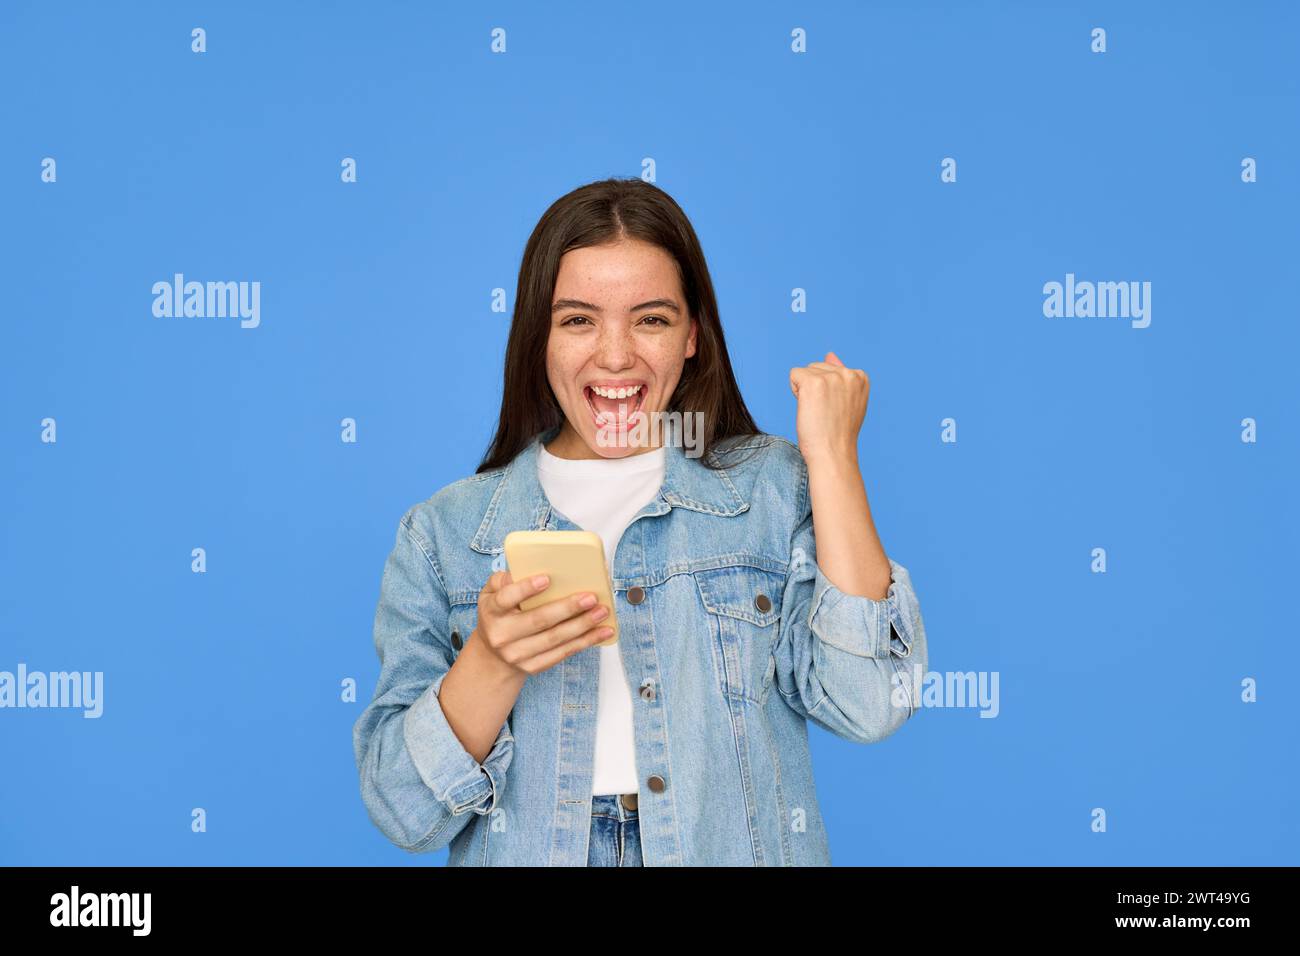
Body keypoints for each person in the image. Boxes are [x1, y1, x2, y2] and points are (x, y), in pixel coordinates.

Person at [353, 177, 928, 866]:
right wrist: (494, 659)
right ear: (539, 336)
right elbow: (402, 811)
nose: (616, 355)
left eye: (651, 318)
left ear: (693, 335)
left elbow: (871, 704)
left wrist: (833, 458)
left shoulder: (773, 488)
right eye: (578, 320)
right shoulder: (444, 535)